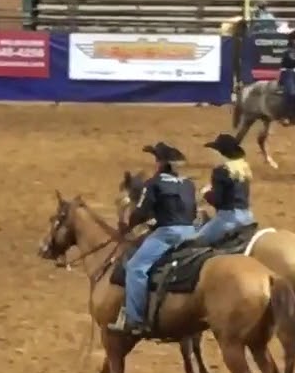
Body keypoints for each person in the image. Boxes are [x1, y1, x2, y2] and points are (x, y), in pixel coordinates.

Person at [109, 142, 198, 337]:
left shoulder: (153, 184)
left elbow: (140, 212)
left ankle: (134, 320)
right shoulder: (189, 184)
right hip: (191, 232)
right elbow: (190, 212)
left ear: (160, 164)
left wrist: (129, 227)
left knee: (135, 268)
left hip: (168, 234)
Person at [195, 134, 256, 245]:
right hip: (247, 217)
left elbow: (218, 200)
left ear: (220, 153)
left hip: (228, 219)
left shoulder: (221, 171)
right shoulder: (244, 169)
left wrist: (206, 194)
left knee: (195, 241)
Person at [277, 25, 295, 124]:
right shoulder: (289, 51)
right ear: (292, 40)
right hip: (288, 73)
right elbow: (294, 63)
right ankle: (285, 115)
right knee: (292, 92)